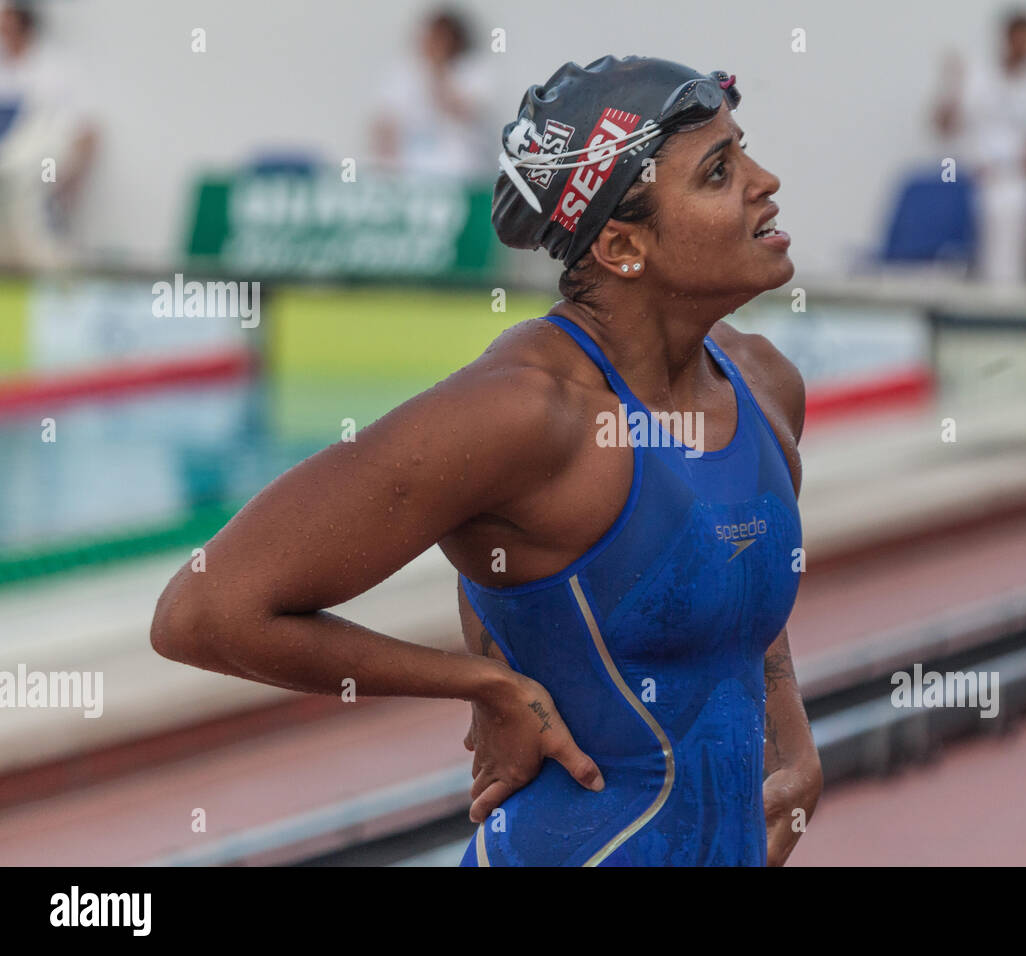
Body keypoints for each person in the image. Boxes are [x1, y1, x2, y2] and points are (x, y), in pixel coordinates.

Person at [151, 55, 823, 866]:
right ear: (620, 243)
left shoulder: (762, 383)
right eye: (719, 172)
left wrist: (792, 743)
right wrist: (484, 685)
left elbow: (734, 572)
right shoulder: (526, 411)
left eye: (741, 150)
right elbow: (204, 611)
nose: (765, 180)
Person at [932, 8, 1026, 283]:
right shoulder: (976, 75)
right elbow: (942, 126)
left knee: (1008, 206)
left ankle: (1003, 291)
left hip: (1014, 175)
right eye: (1021, 39)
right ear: (1006, 38)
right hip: (967, 171)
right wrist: (950, 84)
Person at [0, 1, 98, 267]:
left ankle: (42, 267)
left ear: (23, 24)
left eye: (6, 21)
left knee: (24, 193)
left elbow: (86, 130)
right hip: (10, 160)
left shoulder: (55, 68)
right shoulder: (4, 68)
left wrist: (71, 177)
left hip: (42, 158)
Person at [370, 7, 497, 182]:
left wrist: (437, 70)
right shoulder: (405, 71)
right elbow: (386, 120)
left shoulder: (474, 71)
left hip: (460, 165)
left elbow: (463, 110)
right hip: (411, 163)